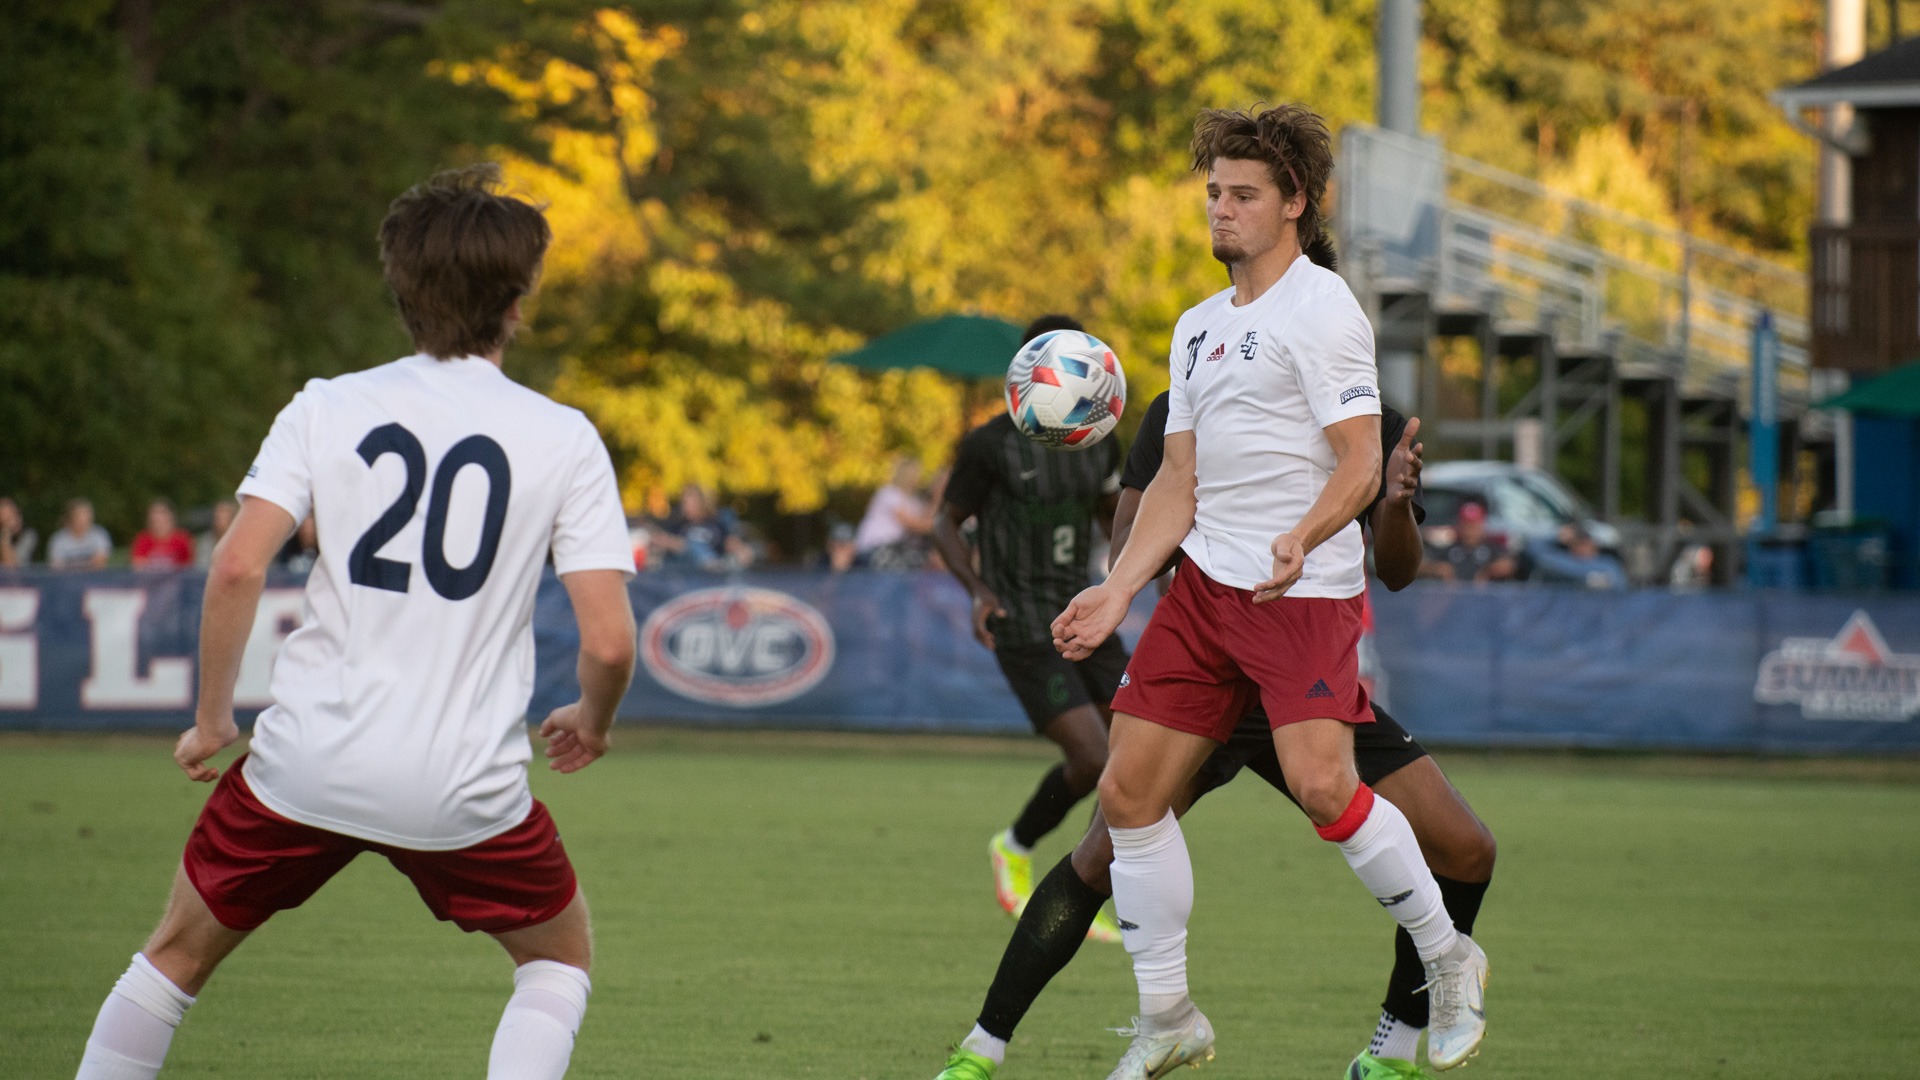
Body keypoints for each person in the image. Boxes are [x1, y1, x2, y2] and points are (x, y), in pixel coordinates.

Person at [68, 164, 638, 1080]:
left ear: (401, 288)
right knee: (557, 962)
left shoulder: (327, 403)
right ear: (519, 300)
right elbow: (610, 642)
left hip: (304, 764)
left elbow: (238, 566)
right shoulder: (562, 434)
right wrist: (594, 719)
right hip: (463, 787)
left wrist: (215, 719)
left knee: (171, 959)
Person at [1047, 104, 1488, 1080]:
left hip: (1302, 597)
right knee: (1125, 793)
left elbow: (1360, 460)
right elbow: (1176, 482)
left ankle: (1449, 955)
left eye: (1243, 194)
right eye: (1214, 192)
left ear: (1294, 202)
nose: (1222, 209)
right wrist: (1120, 590)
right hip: (1207, 595)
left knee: (1330, 787)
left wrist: (1302, 536)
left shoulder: (1324, 311)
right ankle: (1168, 1015)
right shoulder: (1198, 329)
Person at [933, 386, 1499, 1080]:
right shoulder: (1191, 390)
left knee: (1466, 851)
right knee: (1102, 851)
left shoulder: (1364, 414)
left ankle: (1390, 1054)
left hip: (1304, 676)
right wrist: (1172, 587)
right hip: (1211, 681)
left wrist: (1390, 505)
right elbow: (1131, 538)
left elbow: (1399, 570)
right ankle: (981, 1052)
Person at [930, 314, 1127, 939]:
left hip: (1085, 614)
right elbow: (945, 523)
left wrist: (1135, 577)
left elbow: (1112, 519)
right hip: (1021, 623)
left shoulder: (1101, 435)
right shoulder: (989, 445)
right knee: (1094, 756)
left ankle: (1093, 887)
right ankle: (1014, 846)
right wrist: (979, 591)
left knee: (1134, 757)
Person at [856, 456, 937, 569]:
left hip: (896, 548)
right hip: (876, 547)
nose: (917, 478)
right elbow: (911, 524)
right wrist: (945, 526)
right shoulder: (889, 493)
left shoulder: (913, 500)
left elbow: (927, 516)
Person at [651, 483, 753, 571]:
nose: (684, 507)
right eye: (683, 503)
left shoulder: (716, 525)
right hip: (684, 570)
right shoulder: (678, 525)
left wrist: (742, 550)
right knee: (691, 545)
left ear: (701, 503)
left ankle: (713, 564)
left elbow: (731, 543)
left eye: (688, 503)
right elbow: (663, 540)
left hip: (708, 578)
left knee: (745, 552)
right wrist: (682, 544)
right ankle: (711, 564)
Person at [1423, 502, 1513, 583]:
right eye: (1466, 525)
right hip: (1454, 598)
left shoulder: (1492, 549)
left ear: (1482, 525)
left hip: (1484, 599)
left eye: (1473, 525)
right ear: (1459, 525)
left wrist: (1487, 571)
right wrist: (1438, 568)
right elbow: (1422, 565)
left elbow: (1509, 564)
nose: (1469, 530)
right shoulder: (1450, 549)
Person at [1528, 523, 1628, 589]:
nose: (1583, 548)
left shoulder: (1608, 564)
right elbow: (1533, 549)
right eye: (1578, 543)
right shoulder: (1561, 561)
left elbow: (1621, 589)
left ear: (1594, 546)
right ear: (1571, 546)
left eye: (1586, 543)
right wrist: (1557, 536)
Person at [47, 497, 112, 570]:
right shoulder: (59, 539)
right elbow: (57, 565)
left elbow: (100, 561)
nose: (85, 519)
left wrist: (71, 565)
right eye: (81, 515)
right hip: (67, 579)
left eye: (87, 515)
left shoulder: (99, 534)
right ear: (72, 517)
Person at [132, 500, 196, 571]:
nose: (158, 518)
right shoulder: (143, 540)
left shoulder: (182, 539)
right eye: (155, 516)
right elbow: (138, 566)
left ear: (170, 516)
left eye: (162, 514)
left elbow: (189, 567)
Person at [195, 500, 238, 569]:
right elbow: (201, 567)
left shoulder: (240, 542)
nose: (220, 517)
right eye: (218, 516)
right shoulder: (207, 540)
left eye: (225, 516)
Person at [0, 496, 38, 567]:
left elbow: (11, 566)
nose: (15, 521)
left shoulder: (28, 535)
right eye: (8, 519)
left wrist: (5, 538)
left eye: (16, 514)